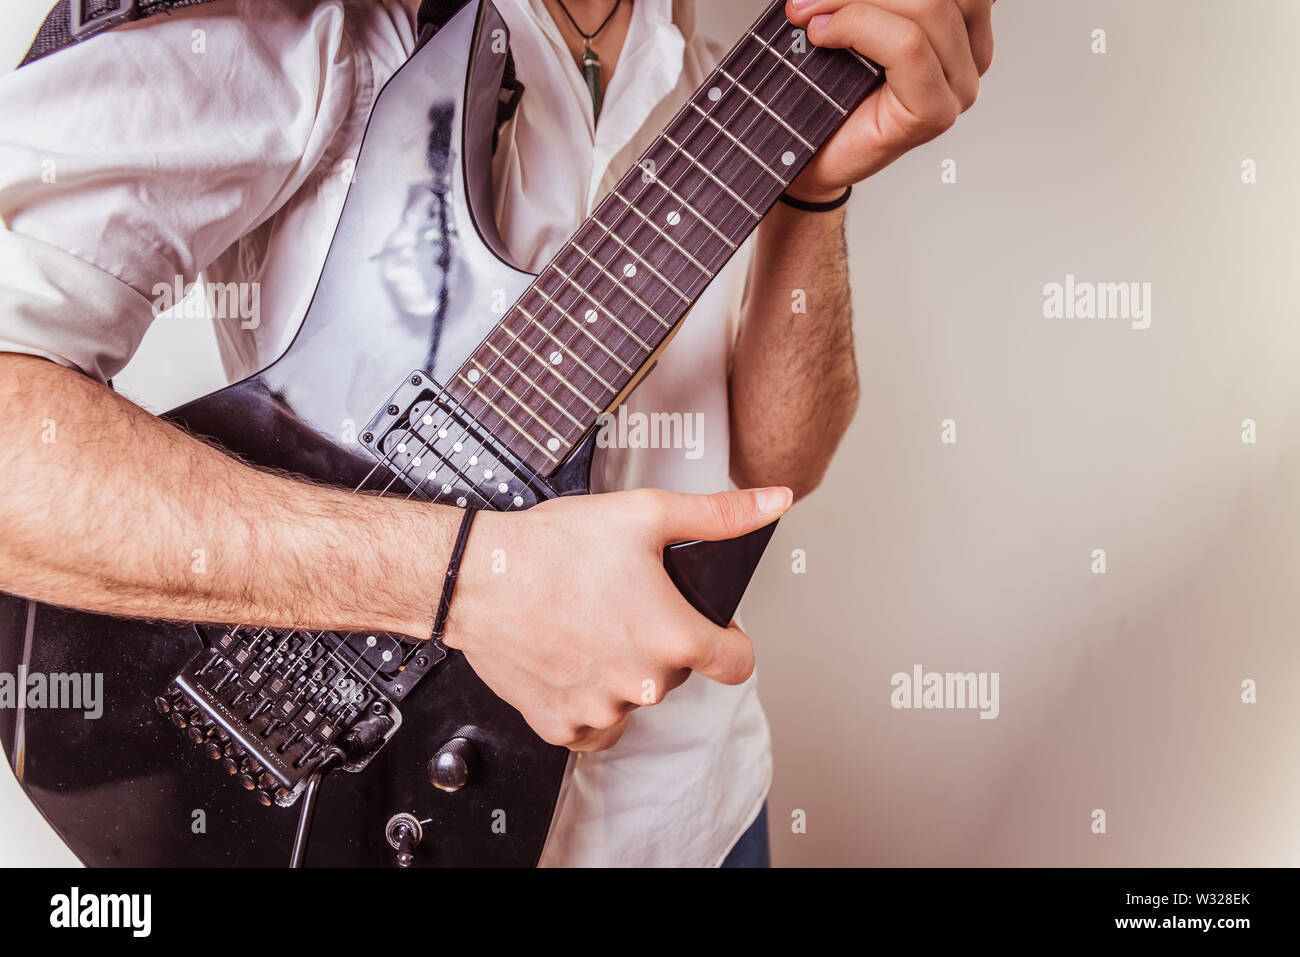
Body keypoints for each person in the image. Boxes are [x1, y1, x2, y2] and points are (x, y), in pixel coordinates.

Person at [0, 0, 993, 866]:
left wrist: (812, 191)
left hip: (697, 814)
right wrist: (474, 582)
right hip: (337, 783)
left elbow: (778, 466)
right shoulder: (307, 31)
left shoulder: (719, 83)